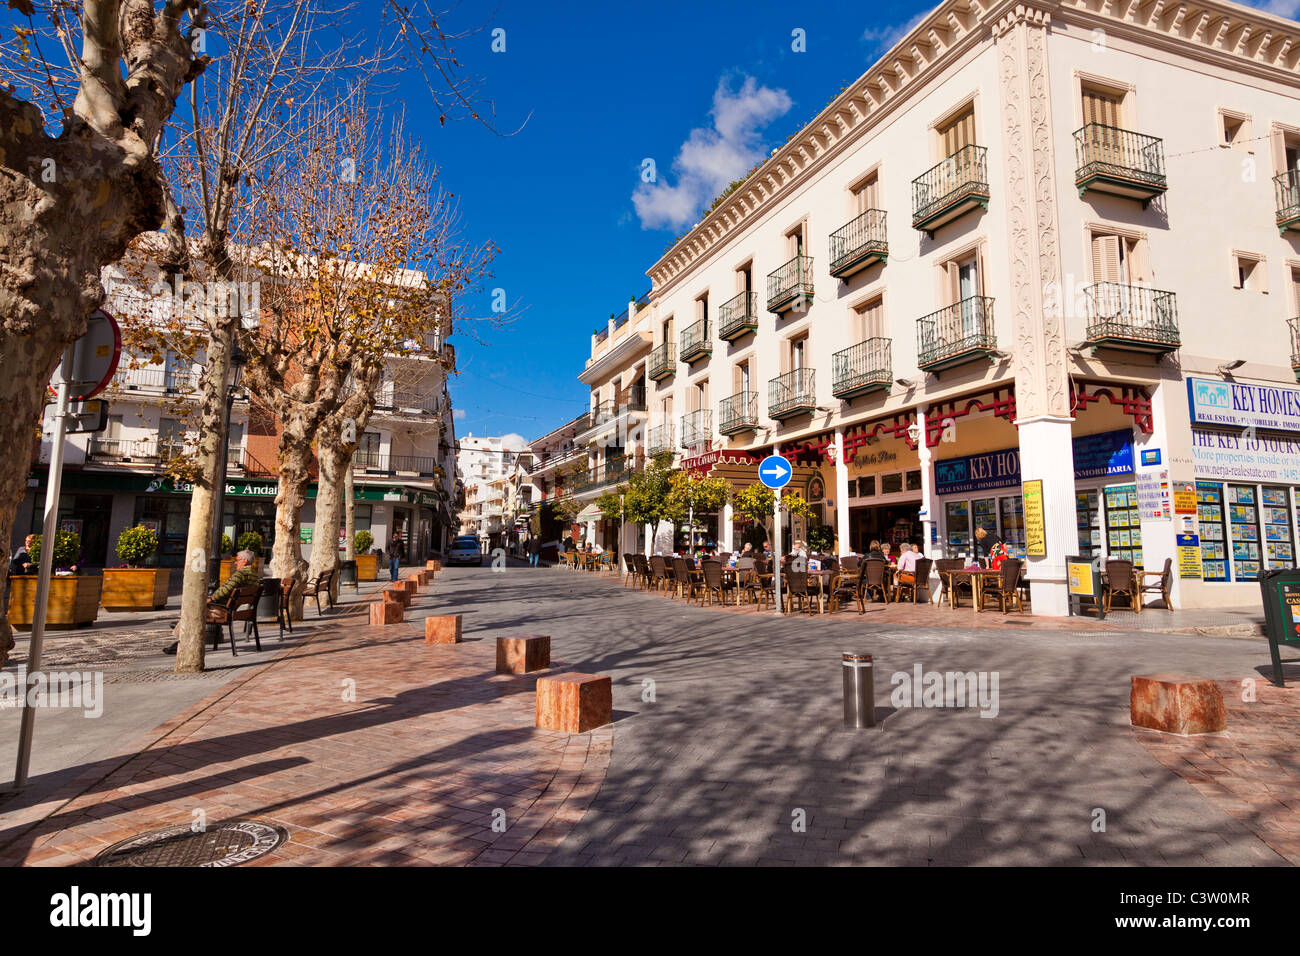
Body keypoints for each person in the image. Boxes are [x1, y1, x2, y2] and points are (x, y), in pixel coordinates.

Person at [164, 550, 260, 654]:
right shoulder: (255, 575)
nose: (235, 563)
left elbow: (226, 589)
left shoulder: (240, 575)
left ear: (245, 561)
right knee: (191, 612)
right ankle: (181, 624)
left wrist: (212, 598)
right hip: (236, 610)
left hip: (222, 610)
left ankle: (181, 637)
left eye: (237, 560)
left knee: (193, 610)